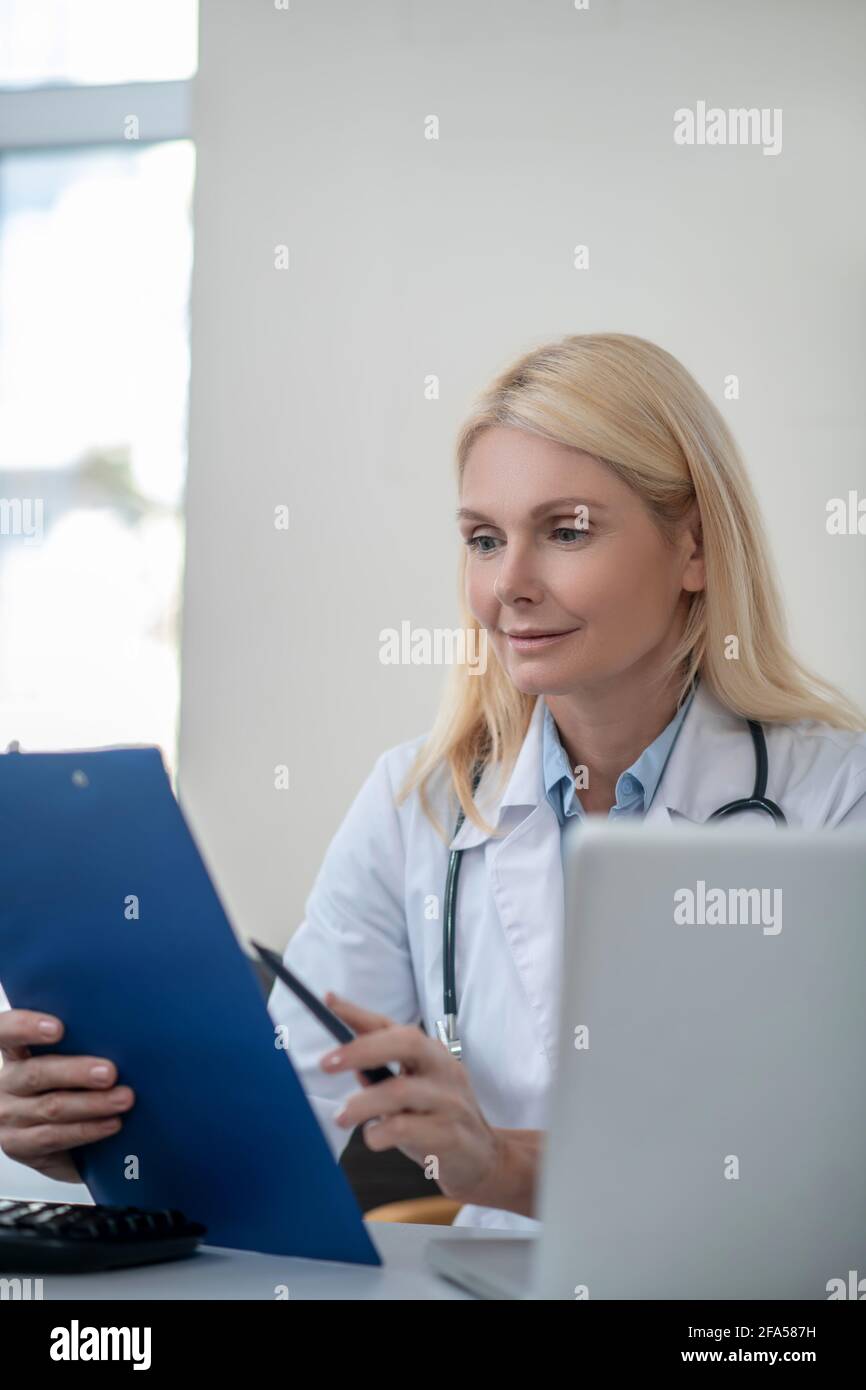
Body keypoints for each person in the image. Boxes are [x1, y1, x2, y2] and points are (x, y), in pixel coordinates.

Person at [2, 333, 865, 1232]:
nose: (509, 587)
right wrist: (93, 1127)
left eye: (566, 531)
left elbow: (816, 1165)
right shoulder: (417, 804)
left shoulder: (835, 806)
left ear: (693, 549)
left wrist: (502, 1163)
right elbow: (277, 1119)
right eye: (484, 541)